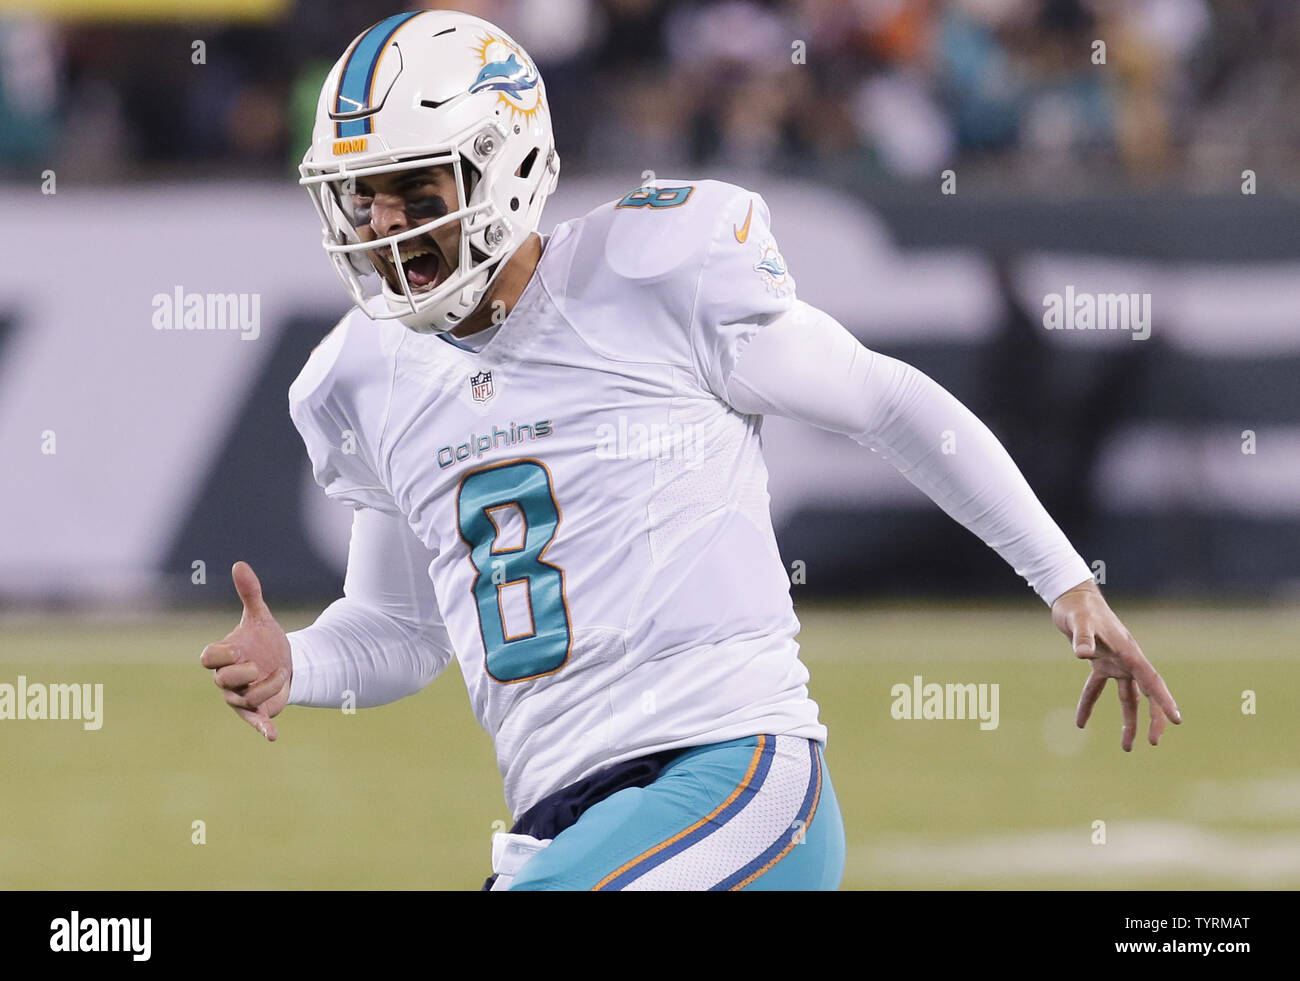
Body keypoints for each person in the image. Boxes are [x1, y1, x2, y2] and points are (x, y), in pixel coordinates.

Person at [199, 9, 1180, 891]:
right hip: (568, 825)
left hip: (729, 775)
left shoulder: (655, 272)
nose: (382, 227)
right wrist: (300, 661)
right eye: (360, 198)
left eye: (411, 190)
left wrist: (1064, 581)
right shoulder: (363, 377)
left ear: (504, 167)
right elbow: (403, 631)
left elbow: (885, 400)